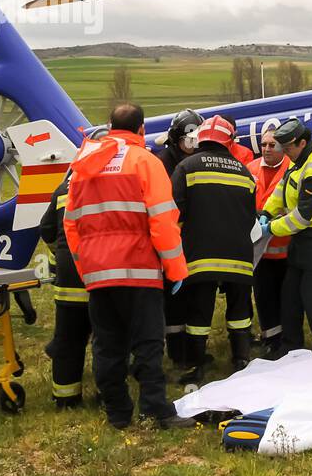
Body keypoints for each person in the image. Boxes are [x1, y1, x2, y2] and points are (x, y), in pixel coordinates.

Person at [64, 104, 194, 429]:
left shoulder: (82, 167)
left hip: (98, 275)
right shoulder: (145, 162)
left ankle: (118, 414)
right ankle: (155, 410)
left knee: (107, 347)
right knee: (147, 344)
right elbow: (163, 222)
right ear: (141, 130)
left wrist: (87, 270)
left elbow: (71, 226)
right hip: (139, 271)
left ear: (109, 127)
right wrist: (176, 269)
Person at [170, 114, 258, 384]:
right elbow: (250, 217)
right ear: (228, 141)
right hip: (239, 255)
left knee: (199, 312)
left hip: (200, 256)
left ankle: (195, 367)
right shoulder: (244, 172)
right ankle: (241, 359)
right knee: (240, 310)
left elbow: (174, 212)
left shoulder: (186, 167)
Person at [259, 117, 312, 355]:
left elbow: (301, 218)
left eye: (287, 149)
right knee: (291, 292)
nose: (284, 153)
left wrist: (271, 229)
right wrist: (267, 210)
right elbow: (283, 187)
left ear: (302, 142)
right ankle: (291, 346)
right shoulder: (299, 156)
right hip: (305, 234)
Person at [37, 162, 93, 408]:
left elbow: (47, 230)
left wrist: (58, 255)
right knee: (107, 339)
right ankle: (107, 394)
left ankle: (65, 398)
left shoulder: (62, 189)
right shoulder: (114, 183)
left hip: (68, 282)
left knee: (68, 339)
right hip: (100, 280)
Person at [156, 108, 202, 368]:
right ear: (176, 139)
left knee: (189, 295)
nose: (193, 145)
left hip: (189, 238)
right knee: (173, 299)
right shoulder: (165, 163)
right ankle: (177, 353)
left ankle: (188, 348)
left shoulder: (191, 160)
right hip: (172, 238)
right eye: (189, 140)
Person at [248, 127, 291, 357]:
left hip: (285, 247)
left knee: (287, 297)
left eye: (272, 145)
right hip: (259, 251)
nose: (266, 149)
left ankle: (289, 340)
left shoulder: (292, 169)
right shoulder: (251, 169)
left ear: (283, 147)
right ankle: (271, 340)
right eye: (263, 144)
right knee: (264, 297)